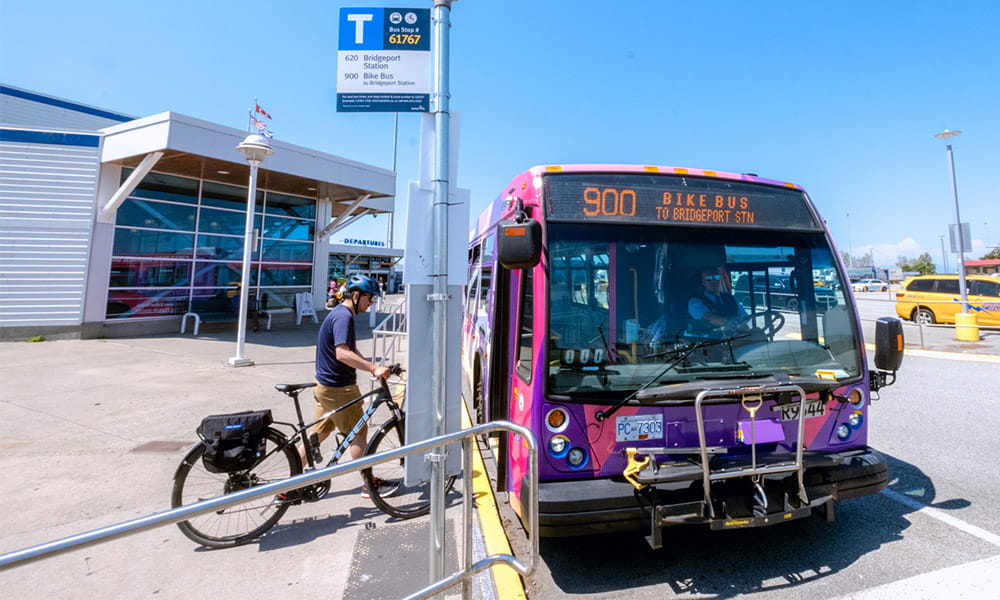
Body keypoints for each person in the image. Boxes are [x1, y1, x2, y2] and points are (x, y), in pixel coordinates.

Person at [309, 274, 390, 497]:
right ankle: (369, 485)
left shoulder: (339, 314)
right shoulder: (344, 317)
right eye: (369, 298)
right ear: (356, 295)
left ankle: (286, 487)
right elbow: (342, 353)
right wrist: (373, 369)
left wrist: (371, 364)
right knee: (358, 433)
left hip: (326, 386)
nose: (371, 303)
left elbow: (350, 351)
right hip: (338, 387)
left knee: (319, 435)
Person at [687, 266, 748, 338]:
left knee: (757, 332)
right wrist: (728, 322)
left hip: (734, 339)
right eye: (709, 279)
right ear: (703, 282)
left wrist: (738, 323)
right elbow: (709, 318)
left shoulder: (730, 298)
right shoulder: (695, 302)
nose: (713, 281)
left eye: (716, 278)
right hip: (710, 343)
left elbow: (744, 316)